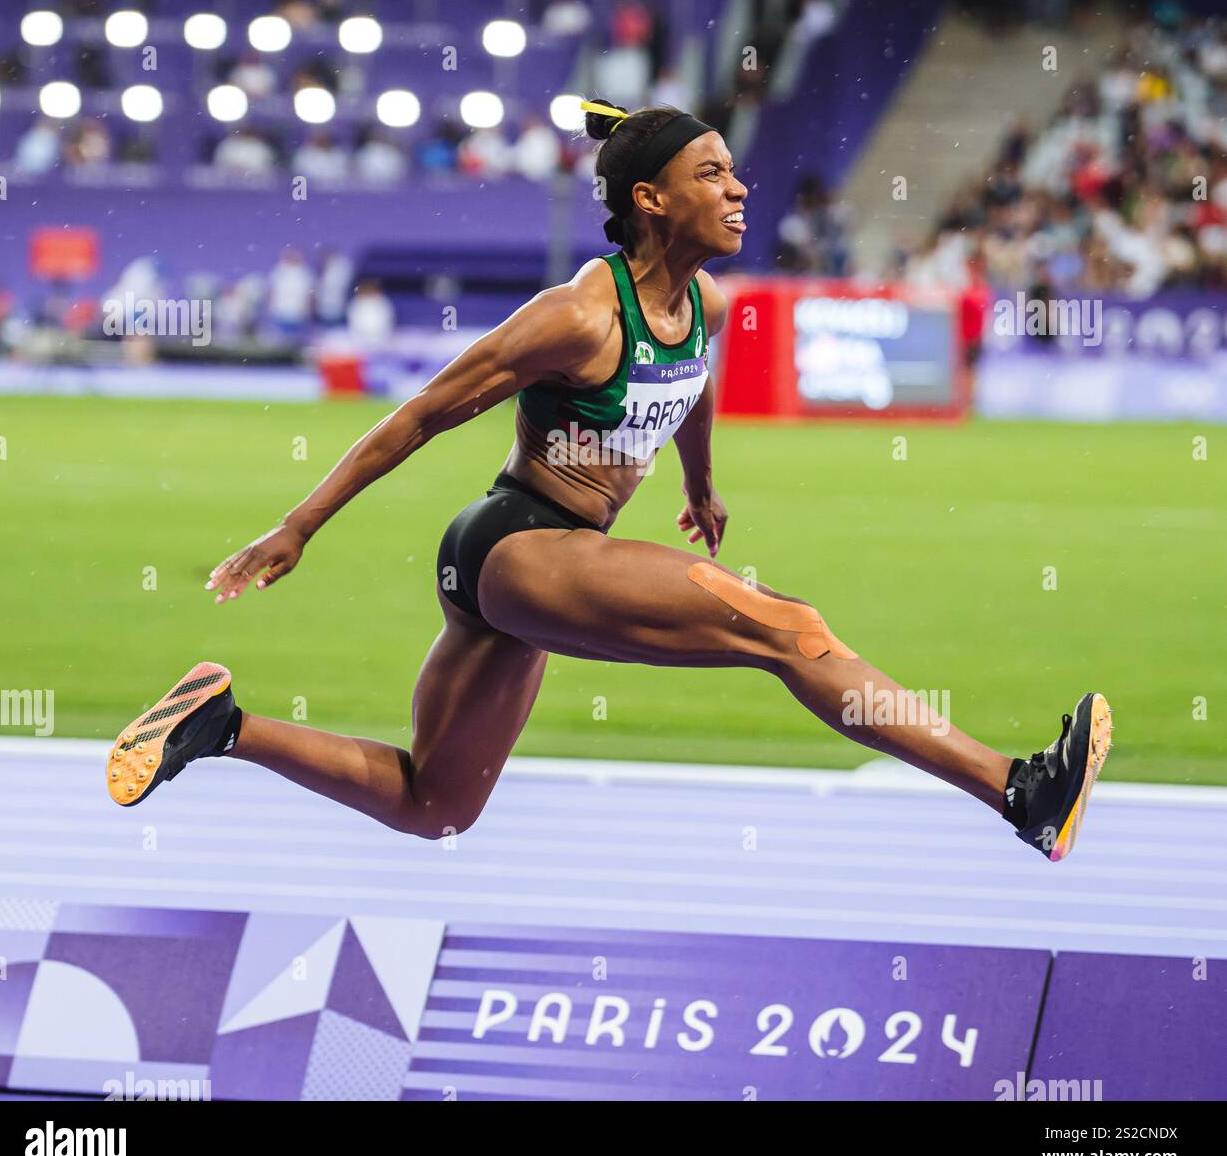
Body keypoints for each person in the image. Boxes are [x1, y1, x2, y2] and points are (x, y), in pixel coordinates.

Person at [106, 99, 1112, 864]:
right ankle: (1017, 790)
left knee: (434, 806)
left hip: (537, 573)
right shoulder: (577, 319)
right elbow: (419, 413)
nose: (739, 189)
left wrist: (701, 484)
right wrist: (297, 525)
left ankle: (217, 723)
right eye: (712, 174)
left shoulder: (700, 301)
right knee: (789, 629)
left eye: (734, 173)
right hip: (518, 545)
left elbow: (693, 382)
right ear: (650, 199)